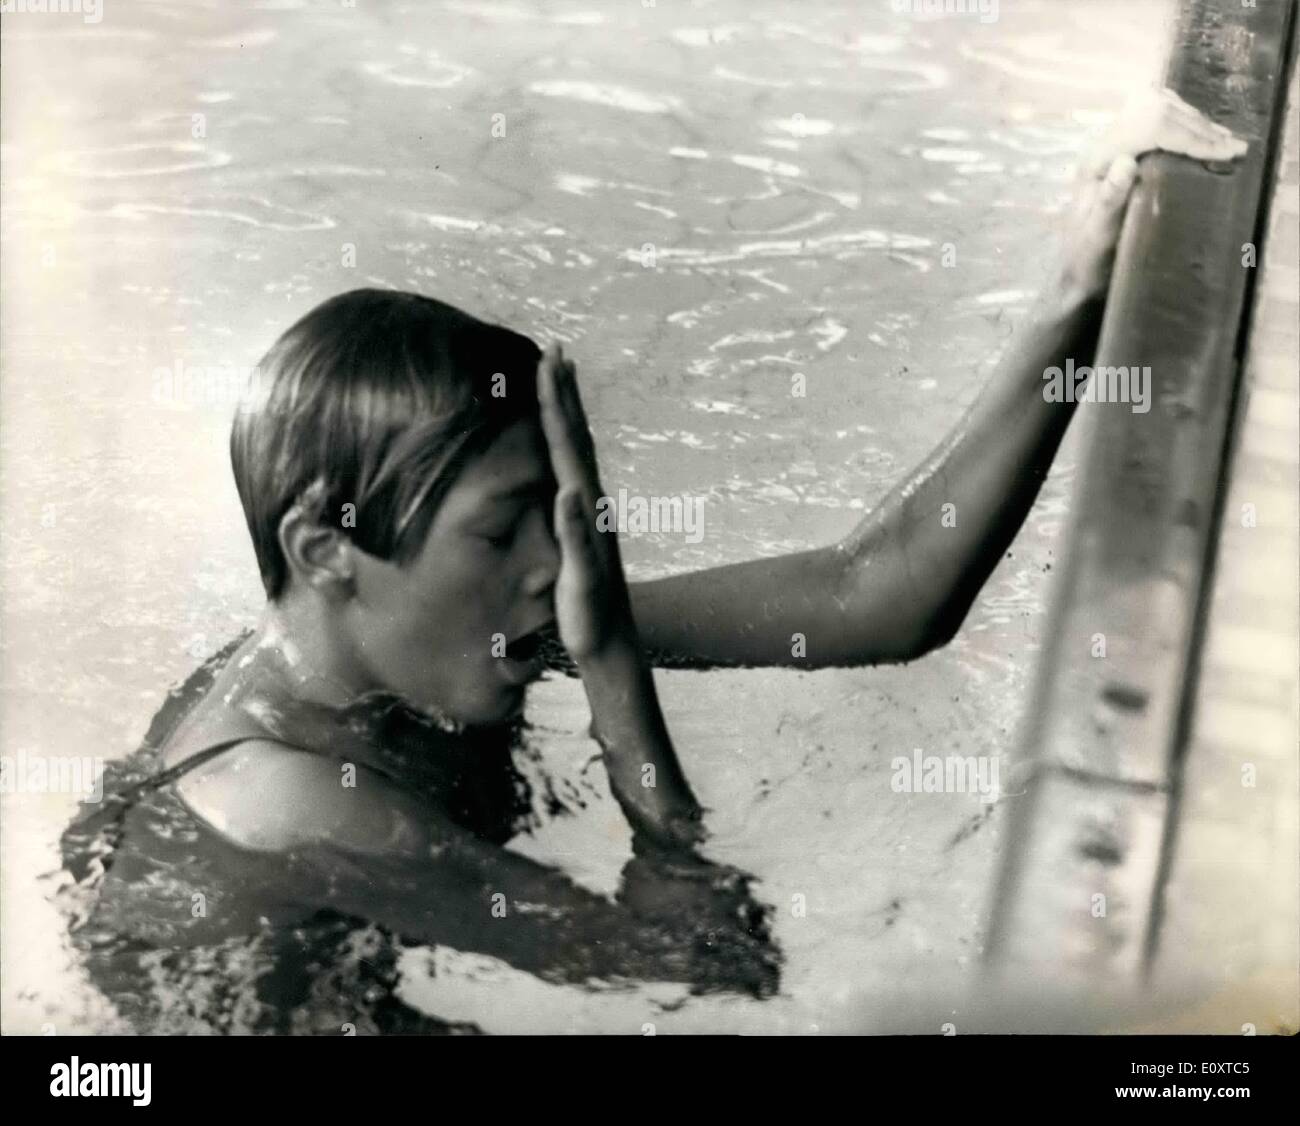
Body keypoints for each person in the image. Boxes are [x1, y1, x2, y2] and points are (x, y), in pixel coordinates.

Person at [58, 89, 1243, 1033]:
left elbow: (874, 594)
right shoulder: (283, 793)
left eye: (562, 517)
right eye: (502, 526)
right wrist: (611, 660)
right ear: (327, 549)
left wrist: (1075, 297)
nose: (553, 568)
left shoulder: (438, 628)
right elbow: (711, 962)